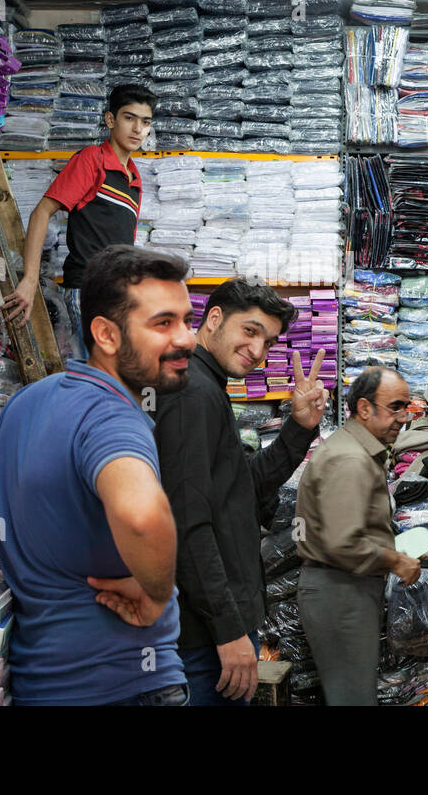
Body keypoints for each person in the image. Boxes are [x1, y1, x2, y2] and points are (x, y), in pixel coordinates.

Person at [0, 245, 197, 705]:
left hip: (41, 685)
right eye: (163, 323)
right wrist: (156, 593)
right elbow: (143, 516)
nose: (186, 339)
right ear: (106, 334)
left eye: (187, 320)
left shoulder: (28, 402)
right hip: (128, 686)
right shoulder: (114, 420)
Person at [152, 279, 327, 706]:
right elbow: (188, 522)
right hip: (205, 635)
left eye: (267, 341)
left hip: (214, 626)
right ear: (214, 319)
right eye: (249, 331)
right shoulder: (191, 391)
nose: (258, 350)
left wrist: (299, 428)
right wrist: (228, 630)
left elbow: (240, 490)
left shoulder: (208, 387)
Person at [295, 366, 421, 706]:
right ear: (365, 408)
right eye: (395, 406)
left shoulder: (354, 450)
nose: (403, 416)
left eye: (406, 407)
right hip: (341, 591)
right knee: (353, 698)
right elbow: (344, 541)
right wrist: (397, 560)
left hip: (343, 588)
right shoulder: (351, 459)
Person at [2, 84, 157, 357]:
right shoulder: (92, 161)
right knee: (97, 377)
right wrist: (29, 279)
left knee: (113, 380)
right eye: (129, 118)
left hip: (117, 296)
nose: (137, 129)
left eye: (145, 122)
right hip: (88, 291)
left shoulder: (133, 177)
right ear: (111, 120)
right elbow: (41, 212)